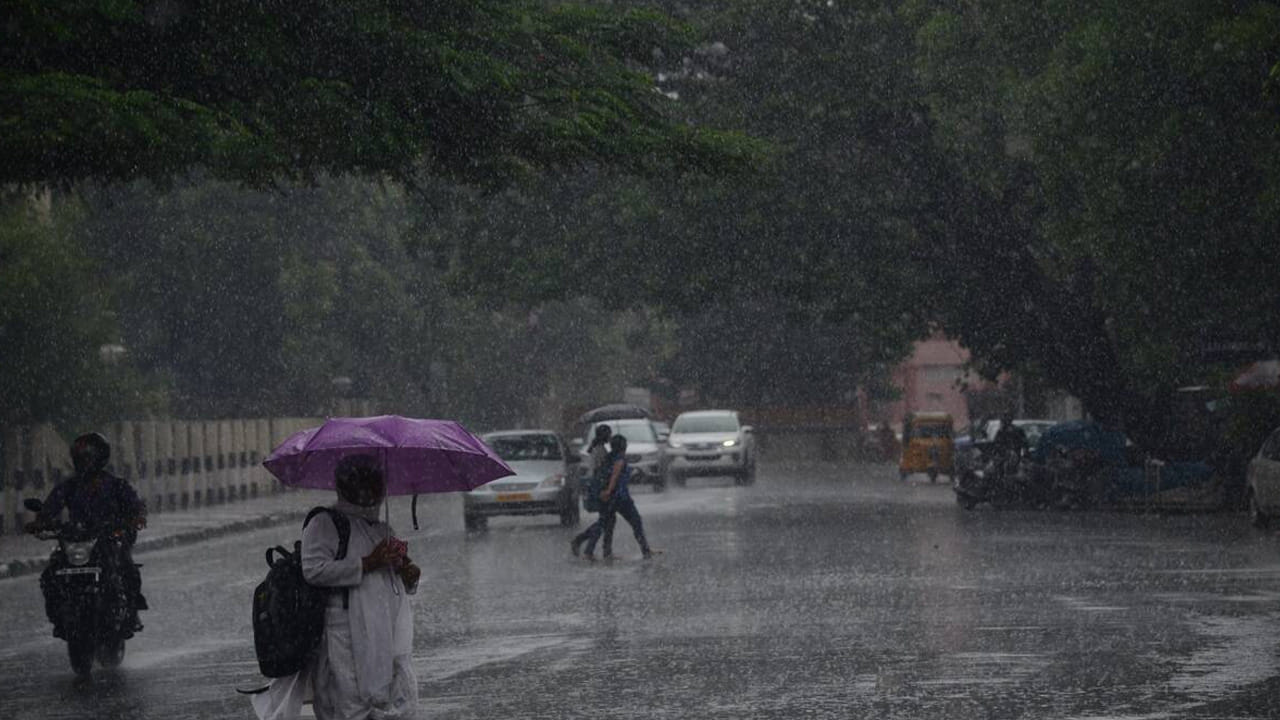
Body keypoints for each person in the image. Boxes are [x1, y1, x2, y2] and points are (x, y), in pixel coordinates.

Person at [252, 454, 420, 720]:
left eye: (376, 484)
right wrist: (368, 562)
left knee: (386, 701)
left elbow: (392, 583)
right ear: (346, 487)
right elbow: (314, 570)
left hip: (379, 632)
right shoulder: (325, 523)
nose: (372, 491)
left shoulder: (381, 528)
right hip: (342, 633)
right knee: (347, 705)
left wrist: (408, 573)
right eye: (365, 484)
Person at [26, 432, 148, 635]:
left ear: (100, 458)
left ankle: (131, 613)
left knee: (127, 567)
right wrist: (40, 522)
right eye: (81, 457)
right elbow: (51, 507)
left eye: (89, 457)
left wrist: (136, 517)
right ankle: (59, 617)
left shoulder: (116, 485)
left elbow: (135, 506)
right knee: (51, 574)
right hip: (77, 539)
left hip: (108, 537)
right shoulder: (69, 486)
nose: (85, 462)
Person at [595, 434, 654, 560]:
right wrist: (609, 490)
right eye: (625, 444)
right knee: (636, 522)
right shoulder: (620, 458)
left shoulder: (608, 457)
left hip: (610, 498)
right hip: (620, 497)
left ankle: (607, 551)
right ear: (623, 446)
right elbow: (615, 475)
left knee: (609, 524)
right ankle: (645, 550)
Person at [570, 425, 613, 558]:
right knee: (604, 520)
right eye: (608, 434)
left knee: (605, 520)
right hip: (599, 487)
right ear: (604, 435)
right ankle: (584, 543)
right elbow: (599, 471)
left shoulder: (598, 449)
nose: (610, 437)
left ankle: (592, 547)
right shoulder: (599, 450)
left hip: (598, 486)